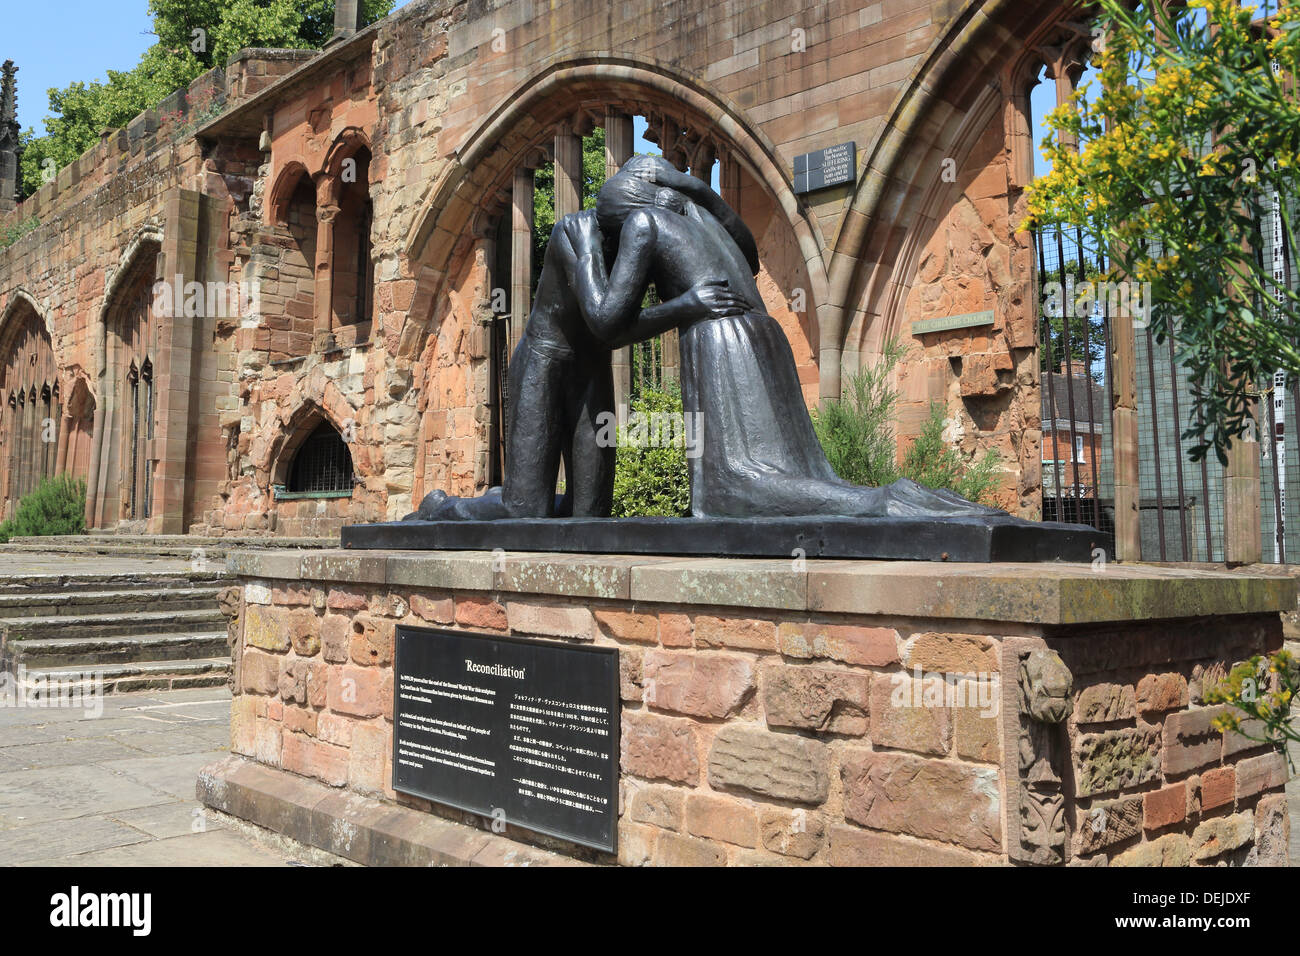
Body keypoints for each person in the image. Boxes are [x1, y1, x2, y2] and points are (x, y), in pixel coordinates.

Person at [562, 155, 1000, 518]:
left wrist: (586, 254)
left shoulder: (642, 224)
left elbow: (608, 324)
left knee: (735, 486)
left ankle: (882, 503)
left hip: (721, 342)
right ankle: (887, 499)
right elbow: (750, 254)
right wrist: (695, 186)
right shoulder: (704, 217)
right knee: (797, 473)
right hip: (764, 335)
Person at [409, 190, 750, 521]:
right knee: (524, 511)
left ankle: (508, 494)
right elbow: (606, 325)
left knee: (590, 512)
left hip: (591, 369)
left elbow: (748, 257)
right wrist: (688, 305)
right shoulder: (574, 232)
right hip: (543, 363)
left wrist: (698, 191)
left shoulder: (640, 246)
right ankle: (442, 509)